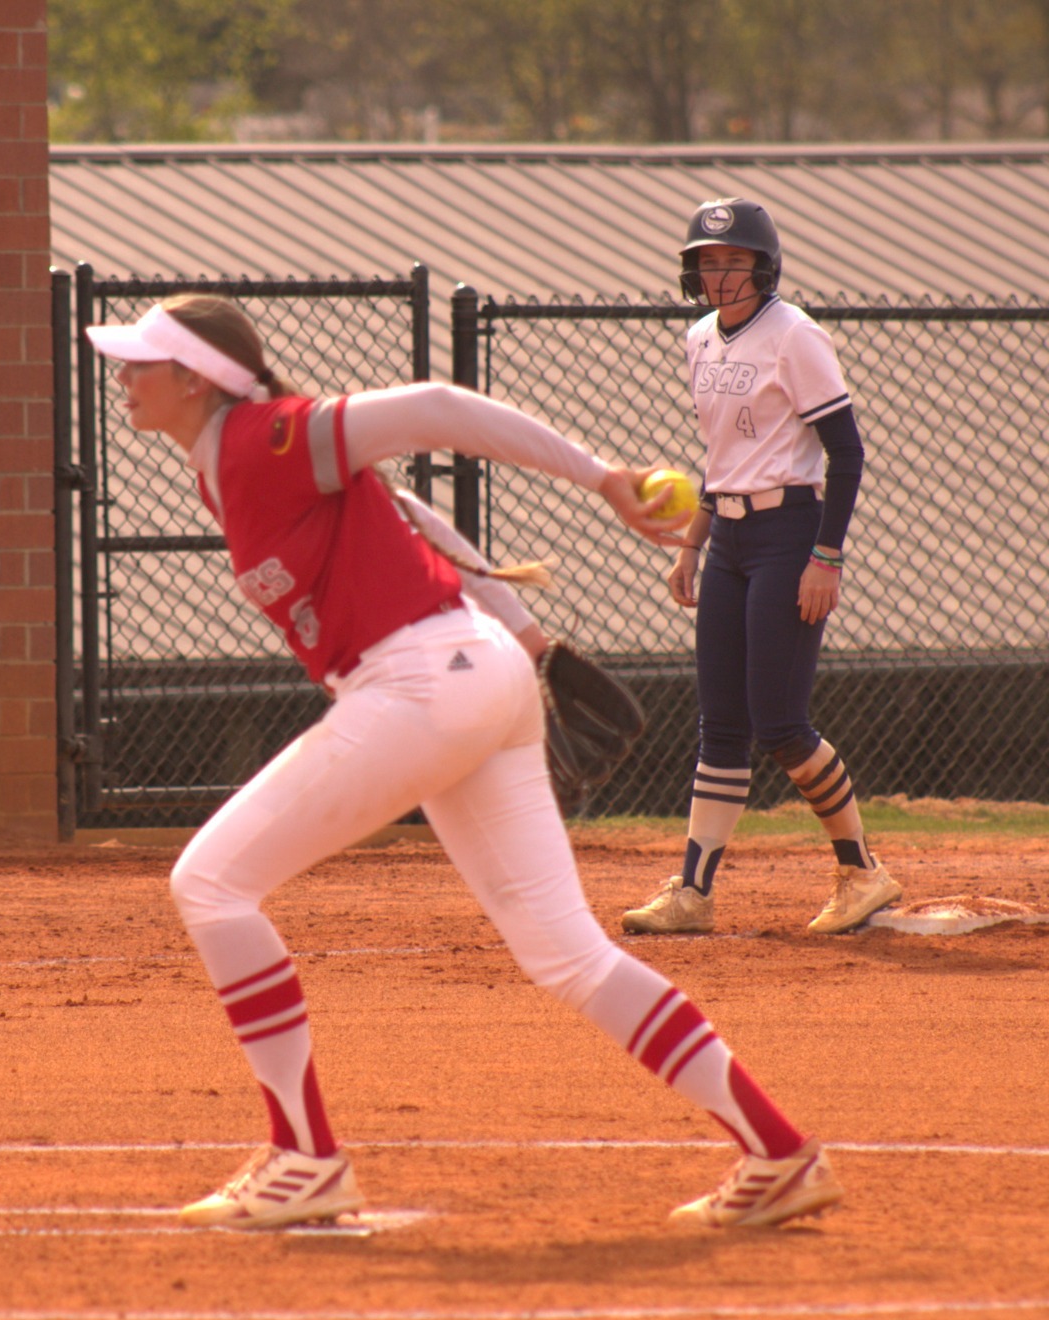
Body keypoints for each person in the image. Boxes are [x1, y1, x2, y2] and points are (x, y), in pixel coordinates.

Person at [85, 293, 845, 1231]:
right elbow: (413, 517)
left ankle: (304, 1158)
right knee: (570, 955)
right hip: (468, 673)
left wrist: (602, 476)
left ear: (195, 379)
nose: (123, 378)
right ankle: (777, 1150)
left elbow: (440, 407)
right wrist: (525, 642)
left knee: (208, 883)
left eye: (139, 363)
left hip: (420, 683)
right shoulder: (222, 463)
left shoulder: (264, 436)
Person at [621, 198, 901, 939]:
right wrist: (692, 543)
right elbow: (723, 463)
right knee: (720, 723)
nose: (719, 275)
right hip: (733, 541)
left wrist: (826, 556)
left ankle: (862, 870)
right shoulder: (698, 340)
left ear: (763, 265)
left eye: (733, 260)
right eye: (707, 262)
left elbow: (846, 452)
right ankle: (693, 891)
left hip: (791, 533)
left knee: (780, 722)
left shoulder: (795, 335)